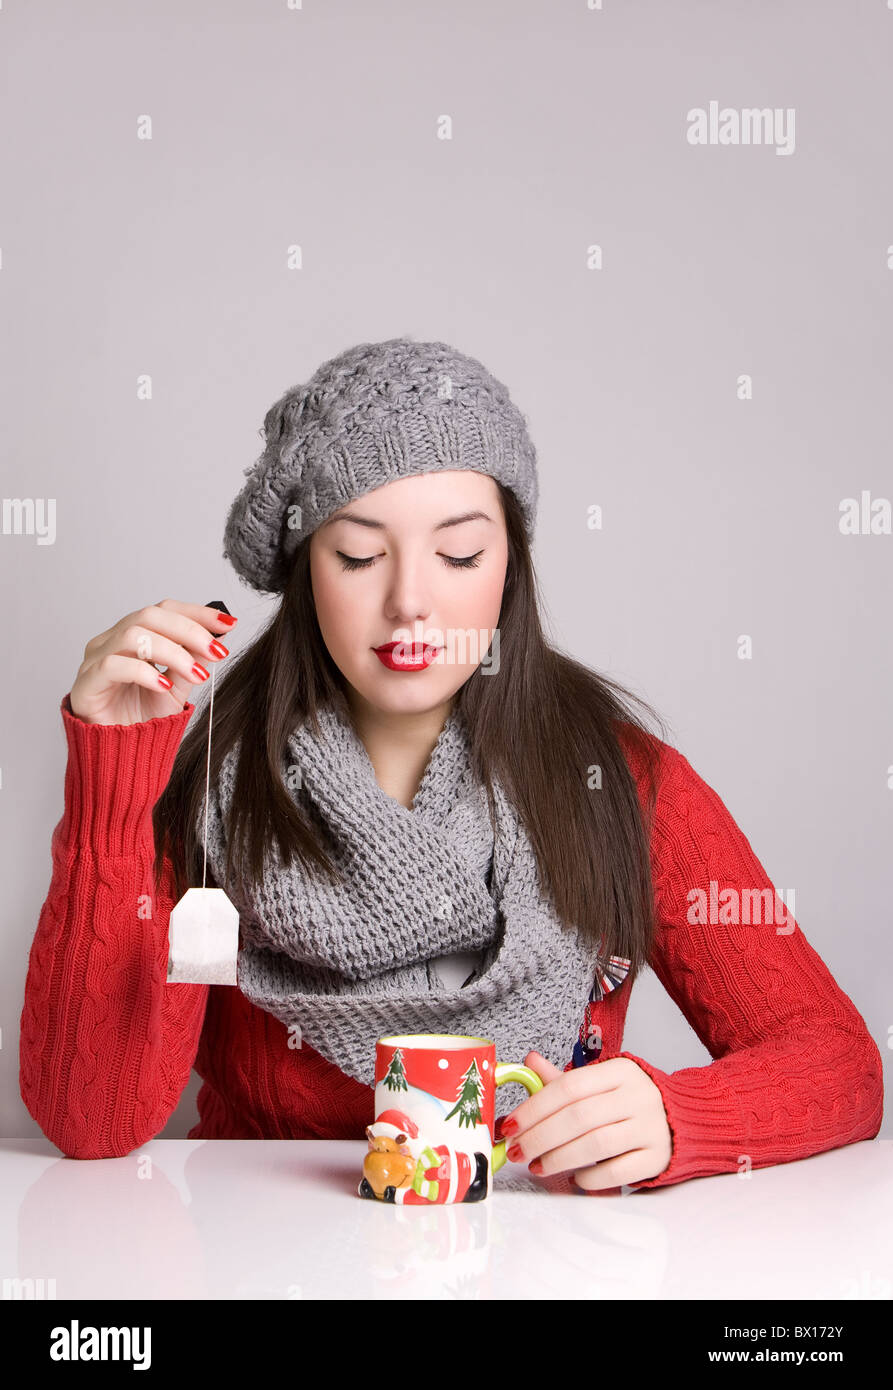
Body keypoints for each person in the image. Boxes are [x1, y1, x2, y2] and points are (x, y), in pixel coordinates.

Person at [19, 337, 883, 1193]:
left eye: (460, 553)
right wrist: (112, 774)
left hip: (539, 1267)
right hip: (259, 1269)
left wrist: (676, 1117)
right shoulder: (217, 790)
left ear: (509, 564)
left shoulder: (622, 783)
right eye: (358, 555)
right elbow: (92, 1124)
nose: (409, 601)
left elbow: (839, 1065)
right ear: (303, 571)